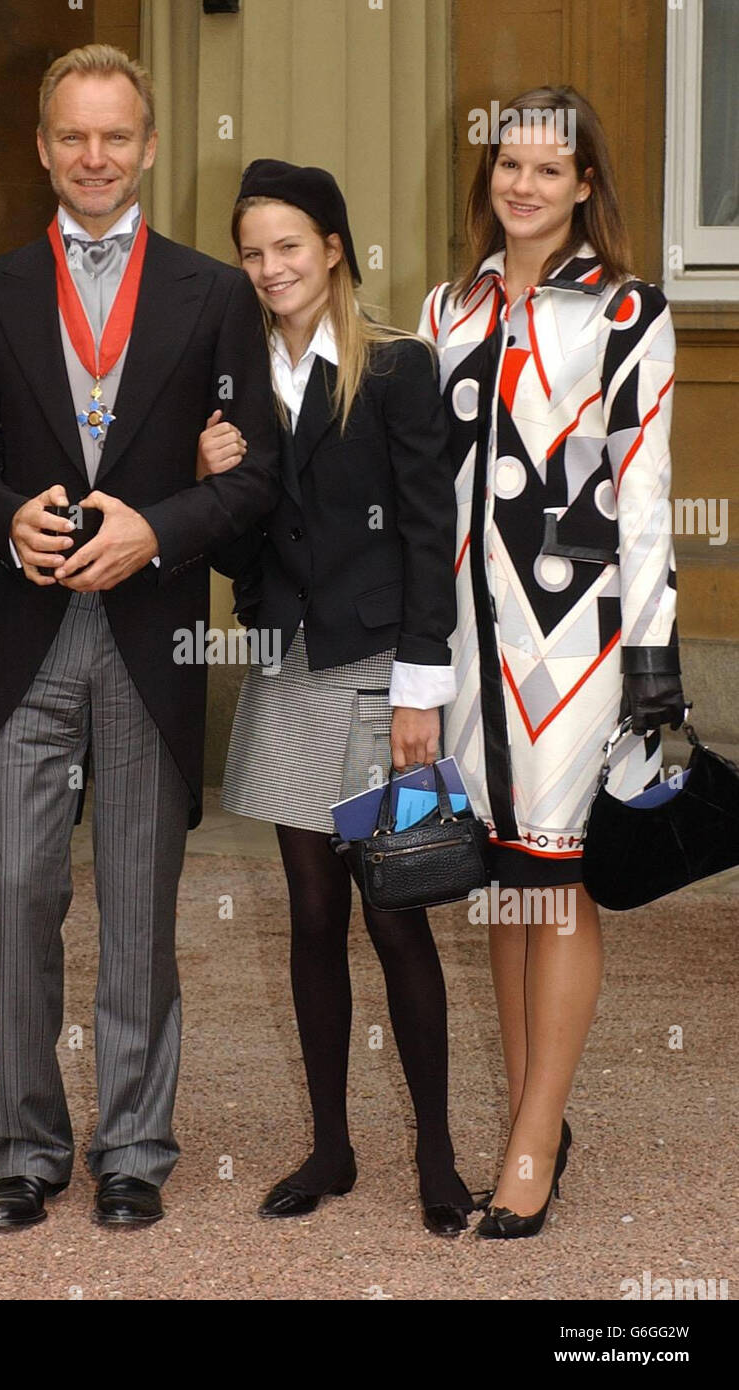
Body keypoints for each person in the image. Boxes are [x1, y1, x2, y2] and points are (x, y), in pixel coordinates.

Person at [0, 45, 278, 1231]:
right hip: (31, 633)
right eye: (73, 137)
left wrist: (160, 529)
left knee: (139, 904)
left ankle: (133, 1145)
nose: (95, 157)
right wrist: (1, 514)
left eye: (116, 136)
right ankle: (26, 1147)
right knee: (23, 891)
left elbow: (257, 480)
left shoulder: (214, 295)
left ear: (147, 147)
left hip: (150, 634)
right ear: (43, 148)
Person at [418, 87, 684, 1238]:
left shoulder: (626, 311)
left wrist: (654, 655)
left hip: (578, 642)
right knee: (510, 878)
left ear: (585, 185)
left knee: (558, 872)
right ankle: (538, 1115)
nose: (521, 187)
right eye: (506, 168)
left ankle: (531, 1141)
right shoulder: (446, 309)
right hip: (470, 643)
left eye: (547, 170)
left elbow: (645, 487)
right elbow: (422, 488)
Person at [207, 160, 478, 1236]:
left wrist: (422, 691)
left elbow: (428, 535)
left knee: (396, 909)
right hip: (287, 676)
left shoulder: (400, 369)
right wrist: (214, 471)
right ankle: (330, 1145)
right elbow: (237, 550)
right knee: (312, 913)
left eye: (288, 246)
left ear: (332, 248)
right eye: (252, 250)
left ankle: (442, 1154)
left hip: (382, 679)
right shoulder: (238, 380)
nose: (270, 268)